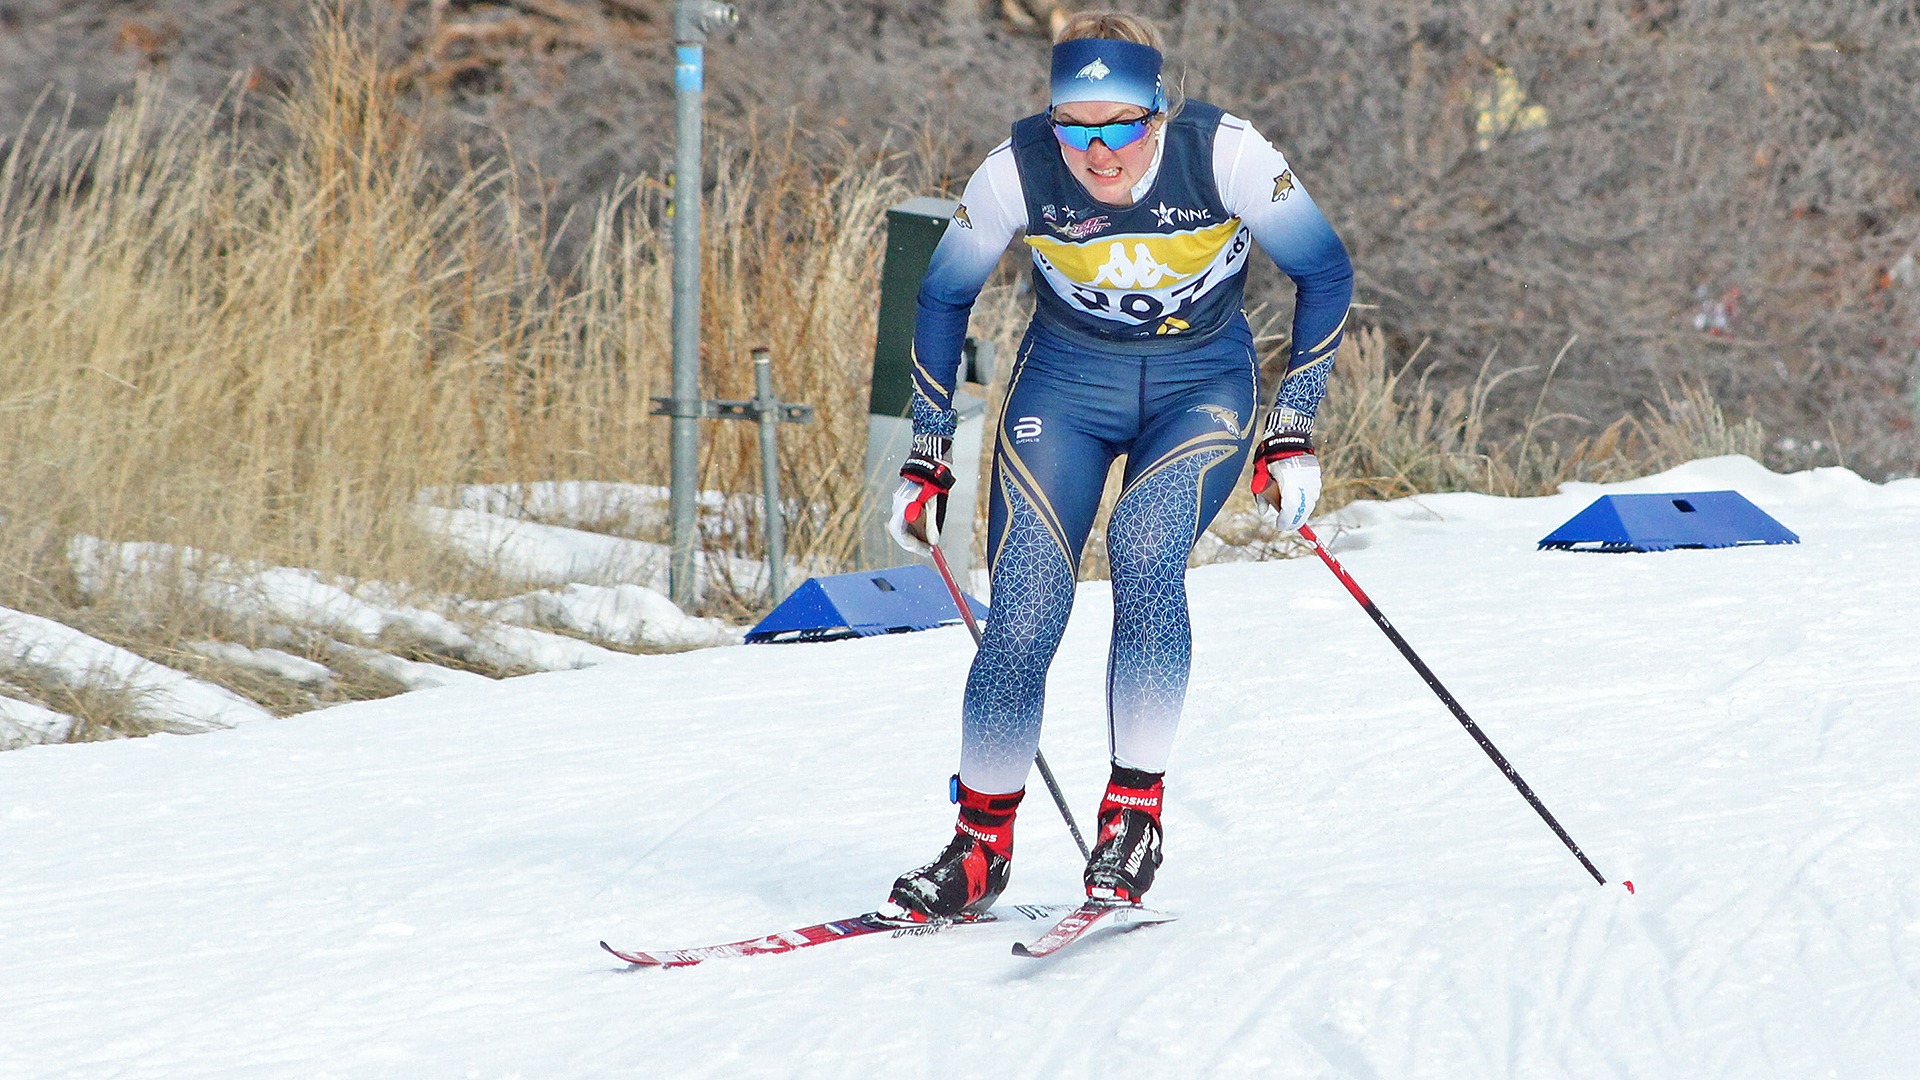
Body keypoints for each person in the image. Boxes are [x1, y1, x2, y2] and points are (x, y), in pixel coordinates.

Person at [884, 10, 1353, 919]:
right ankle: (979, 848)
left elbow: (1325, 271)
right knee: (1022, 605)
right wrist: (929, 451)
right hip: (1065, 386)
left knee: (1144, 546)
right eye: (1077, 128)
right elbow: (942, 295)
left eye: (1122, 128)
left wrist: (1292, 425)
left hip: (1199, 385)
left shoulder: (1229, 156)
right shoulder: (1015, 168)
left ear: (1160, 115)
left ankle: (1134, 815)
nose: (1099, 154)